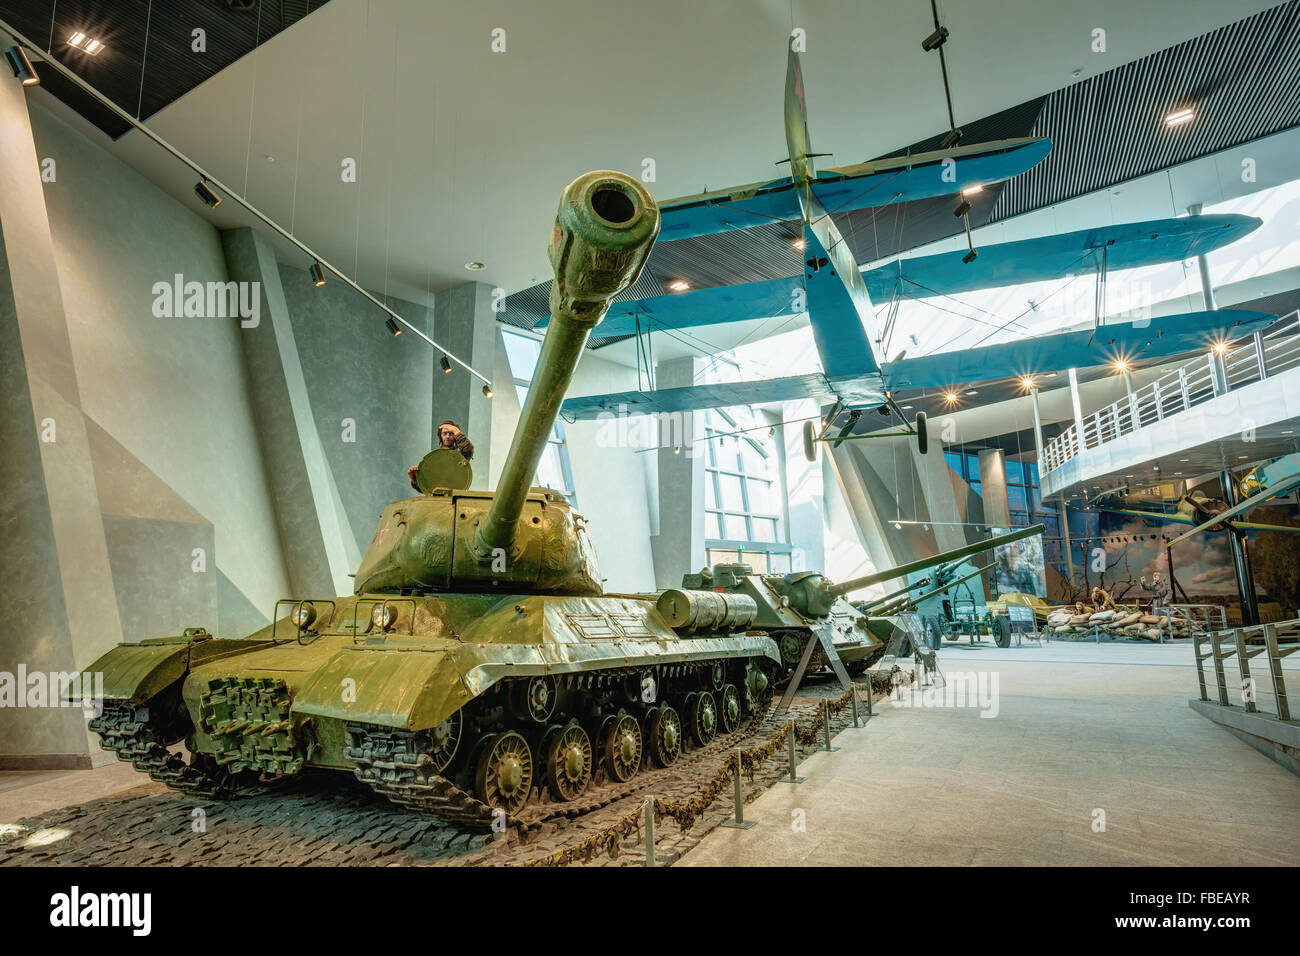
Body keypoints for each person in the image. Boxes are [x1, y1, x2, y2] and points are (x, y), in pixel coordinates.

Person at [408, 420, 474, 491]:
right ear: (440, 436)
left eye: (451, 433)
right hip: (437, 499)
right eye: (444, 433)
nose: (448, 436)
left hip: (456, 496)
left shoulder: (460, 457)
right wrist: (415, 480)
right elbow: (429, 488)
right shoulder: (434, 459)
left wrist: (458, 433)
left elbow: (468, 450)